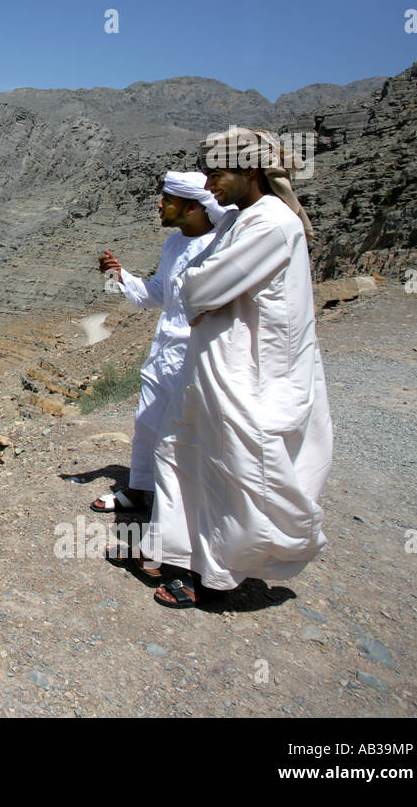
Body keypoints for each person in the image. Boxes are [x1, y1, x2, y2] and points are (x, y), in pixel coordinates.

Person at [141, 127, 332, 608]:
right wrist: (199, 286)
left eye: (216, 173)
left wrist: (198, 287)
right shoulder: (244, 219)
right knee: (177, 453)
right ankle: (178, 556)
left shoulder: (270, 224)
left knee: (233, 470)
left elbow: (200, 290)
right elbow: (200, 287)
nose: (208, 186)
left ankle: (218, 574)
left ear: (249, 170)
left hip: (245, 369)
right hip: (212, 364)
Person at [93, 171, 226, 518]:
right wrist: (119, 276)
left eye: (167, 199)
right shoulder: (173, 244)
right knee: (147, 425)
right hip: (165, 353)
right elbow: (156, 295)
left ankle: (179, 517)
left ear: (193, 207)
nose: (160, 204)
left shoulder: (219, 245)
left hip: (197, 356)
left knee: (184, 437)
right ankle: (138, 491)